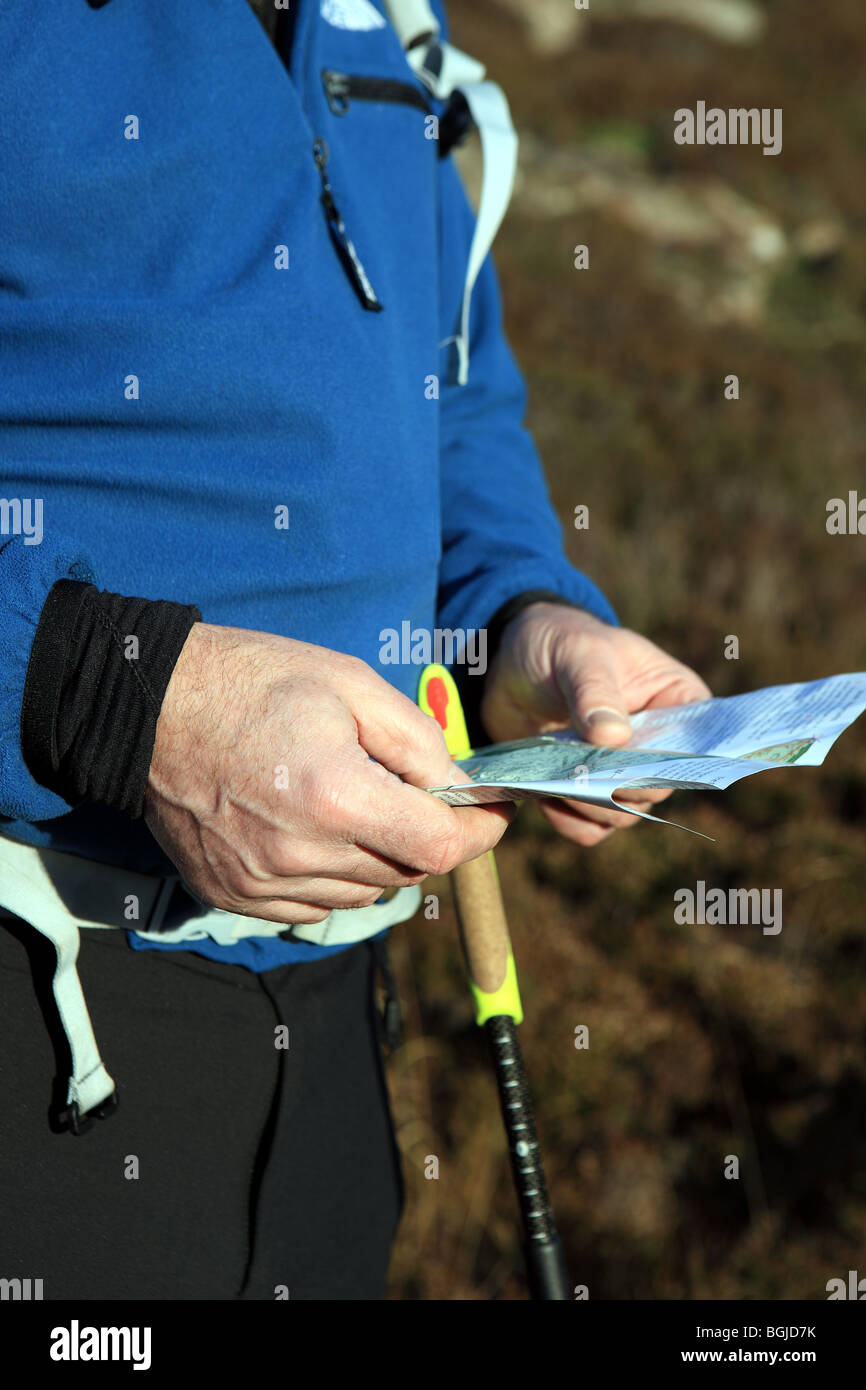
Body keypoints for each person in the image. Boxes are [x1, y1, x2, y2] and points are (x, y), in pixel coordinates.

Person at [0, 0, 710, 1301]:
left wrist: (520, 621)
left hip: (332, 1028)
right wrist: (117, 700)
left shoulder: (388, 20)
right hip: (40, 1005)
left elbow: (448, 397)